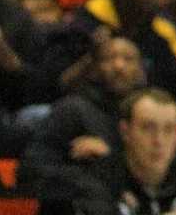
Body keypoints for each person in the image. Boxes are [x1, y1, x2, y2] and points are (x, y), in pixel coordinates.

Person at [17, 31, 145, 215]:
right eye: (109, 58)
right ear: (93, 68)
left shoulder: (151, 116)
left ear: (140, 70)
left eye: (128, 58)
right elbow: (30, 171)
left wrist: (109, 157)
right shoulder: (71, 110)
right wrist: (83, 174)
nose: (118, 66)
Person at [80, 85, 176, 215]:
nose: (159, 140)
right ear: (125, 131)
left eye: (169, 129)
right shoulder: (100, 177)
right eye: (148, 128)